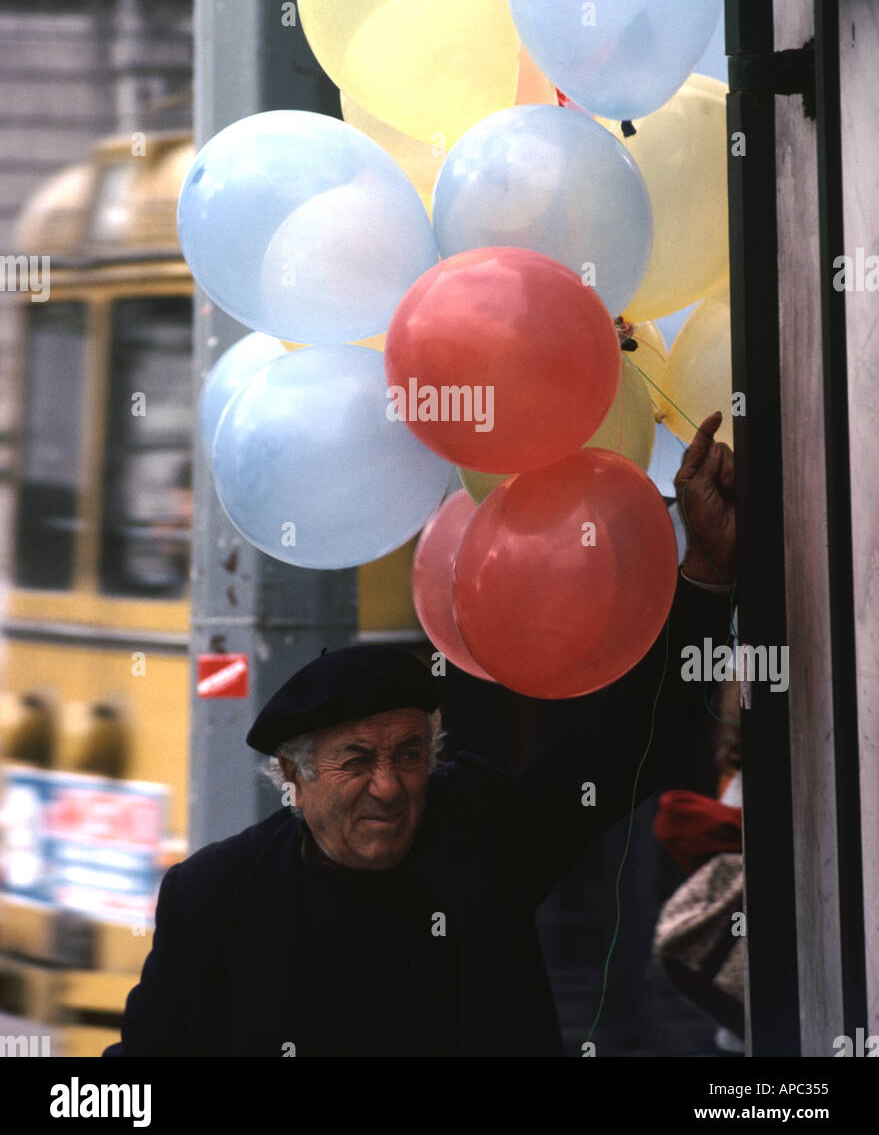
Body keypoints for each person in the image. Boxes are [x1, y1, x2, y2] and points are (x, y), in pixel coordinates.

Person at [104, 412, 735, 1058]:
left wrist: (708, 572)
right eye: (355, 760)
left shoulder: (480, 830)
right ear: (293, 777)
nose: (388, 786)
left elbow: (631, 744)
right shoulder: (214, 895)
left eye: (408, 755)